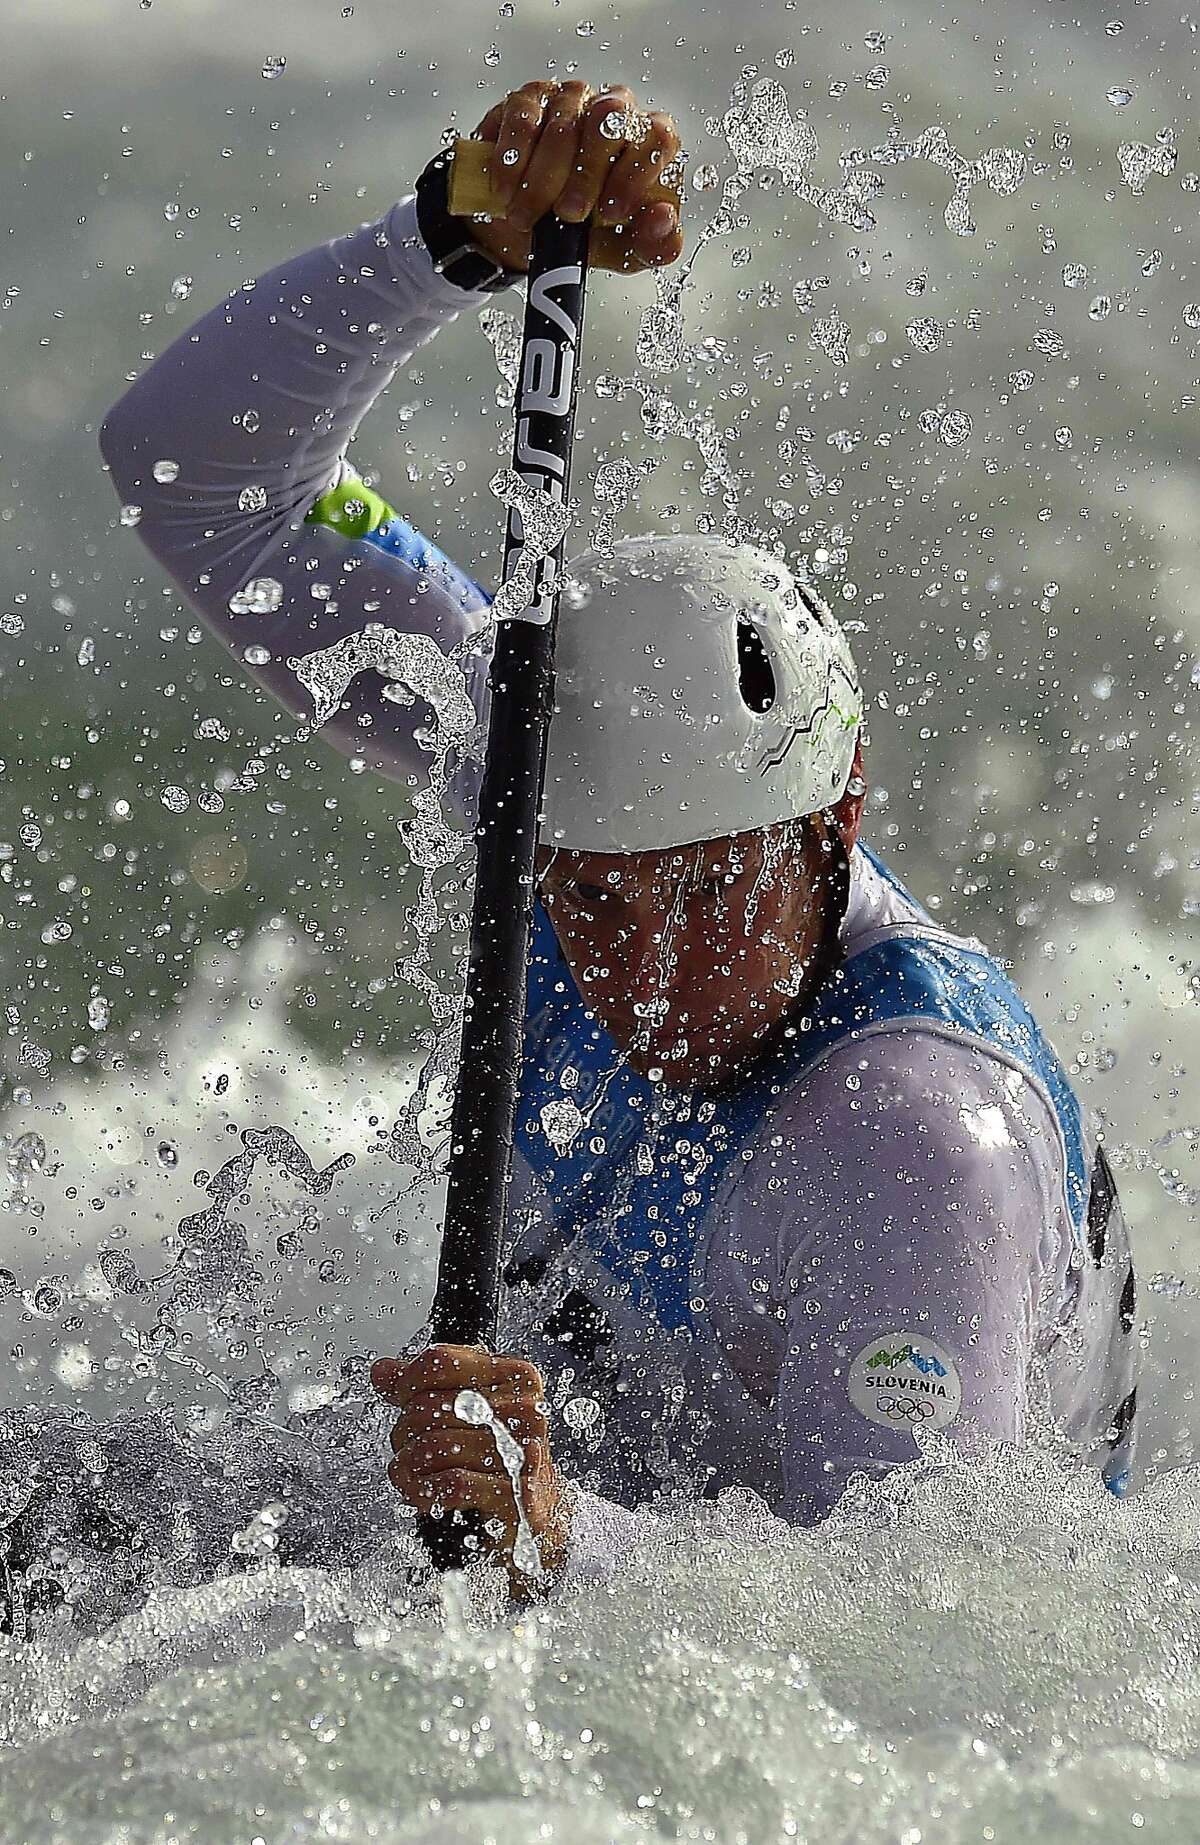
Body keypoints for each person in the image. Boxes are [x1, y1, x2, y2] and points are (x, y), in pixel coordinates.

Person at [99, 78, 1138, 1596]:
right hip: (595, 1515)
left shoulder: (916, 1145)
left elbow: (910, 1623)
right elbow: (190, 473)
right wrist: (439, 240)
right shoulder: (533, 773)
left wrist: (570, 1535)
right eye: (591, 903)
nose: (648, 976)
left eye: (708, 895)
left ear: (836, 823)